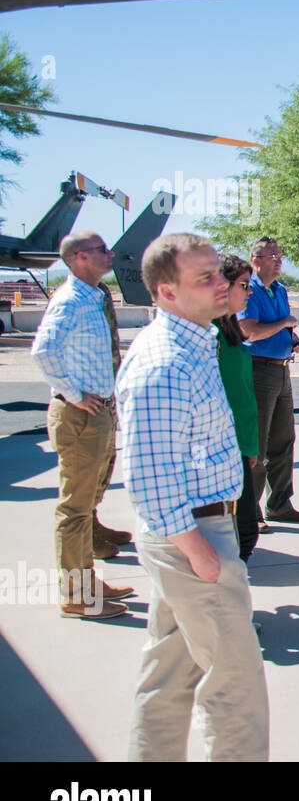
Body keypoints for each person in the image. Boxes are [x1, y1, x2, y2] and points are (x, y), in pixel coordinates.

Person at [116, 233, 269, 761]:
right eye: (205, 277)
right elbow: (148, 475)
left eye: (219, 272)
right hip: (192, 535)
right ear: (167, 292)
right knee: (235, 687)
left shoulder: (195, 344)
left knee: (168, 676)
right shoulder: (165, 364)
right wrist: (199, 551)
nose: (221, 284)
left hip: (195, 531)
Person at [30, 231, 135, 619]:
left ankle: (87, 581)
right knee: (75, 508)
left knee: (86, 505)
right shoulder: (70, 300)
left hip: (97, 413)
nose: (110, 254)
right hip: (79, 417)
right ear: (79, 258)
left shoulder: (91, 297)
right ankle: (76, 595)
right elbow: (43, 351)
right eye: (101, 250)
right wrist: (74, 394)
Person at [237, 236, 299, 529]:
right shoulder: (250, 291)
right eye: (272, 256)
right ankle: (250, 511)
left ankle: (279, 503)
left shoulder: (279, 290)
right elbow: (250, 331)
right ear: (256, 261)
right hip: (258, 370)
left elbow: (283, 326)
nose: (279, 261)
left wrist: (292, 338)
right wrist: (284, 324)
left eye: (280, 256)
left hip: (281, 369)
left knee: (283, 439)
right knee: (259, 442)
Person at [214, 255, 261, 565]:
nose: (250, 291)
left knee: (245, 529)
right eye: (244, 285)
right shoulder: (208, 336)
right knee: (240, 530)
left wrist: (250, 444)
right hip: (222, 445)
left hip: (240, 442)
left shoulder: (229, 330)